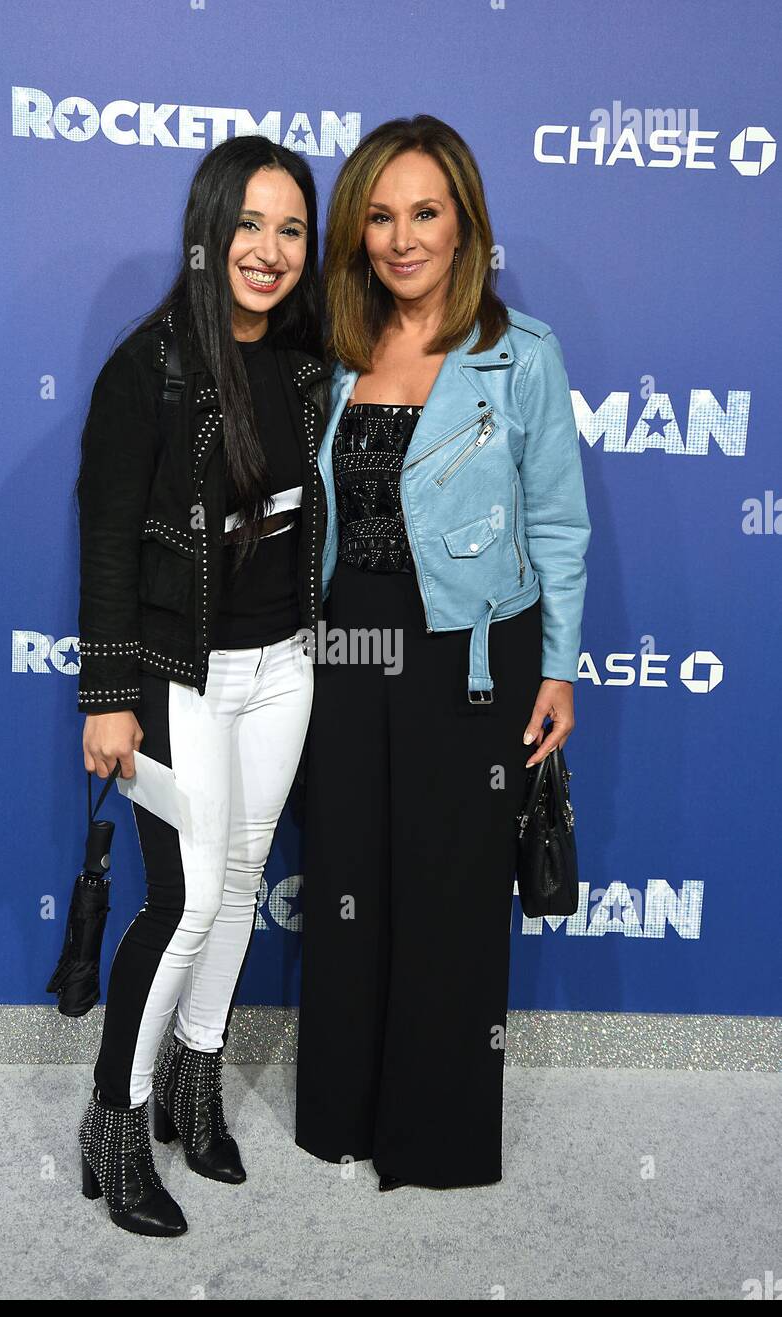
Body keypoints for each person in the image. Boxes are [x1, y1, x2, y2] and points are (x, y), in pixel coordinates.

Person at [294, 114, 591, 1191]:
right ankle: (340, 1114)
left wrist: (557, 667)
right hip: (349, 644)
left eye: (425, 212)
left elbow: (556, 524)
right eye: (379, 214)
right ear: (356, 231)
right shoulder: (331, 352)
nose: (402, 237)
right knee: (348, 877)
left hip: (472, 651)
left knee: (452, 890)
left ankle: (437, 1137)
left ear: (465, 224)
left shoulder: (523, 356)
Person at [74, 136, 331, 1236]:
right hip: (180, 675)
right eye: (249, 225)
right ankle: (114, 1123)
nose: (268, 251)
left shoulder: (314, 358)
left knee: (242, 877)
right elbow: (108, 550)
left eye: (291, 229)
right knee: (185, 901)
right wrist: (105, 695)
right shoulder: (152, 366)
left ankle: (195, 1077)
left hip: (287, 668)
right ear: (209, 228)